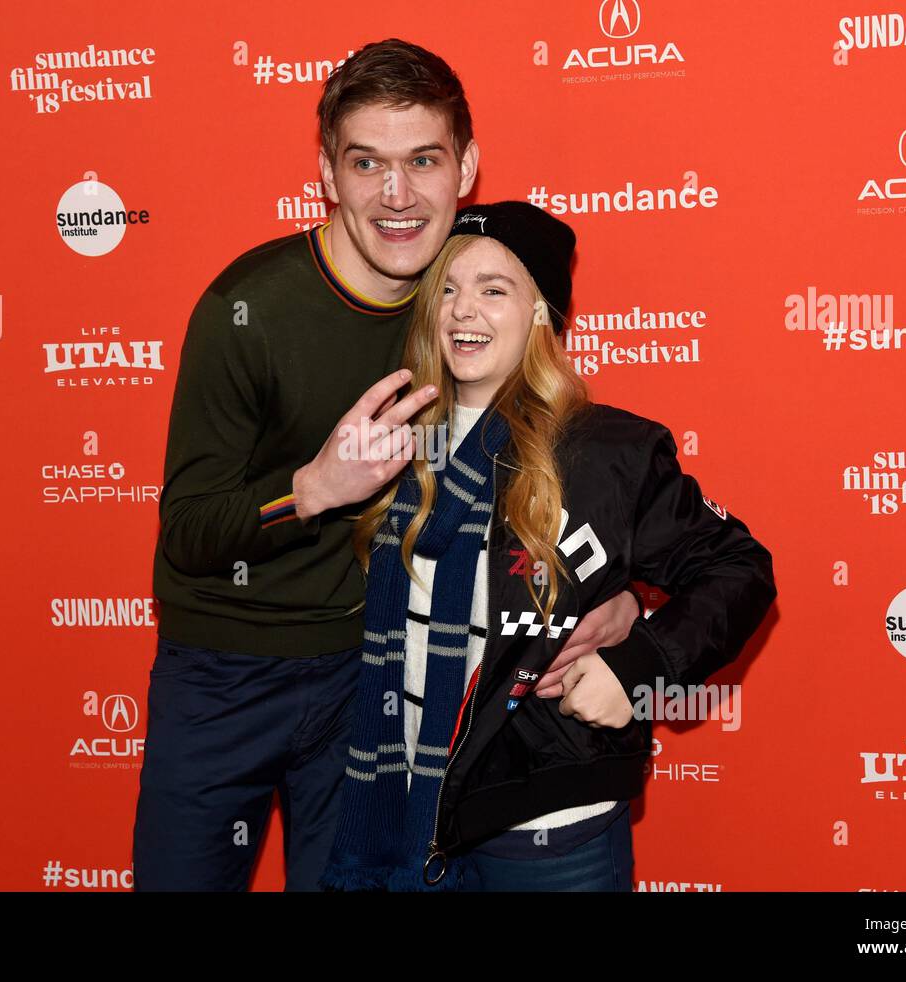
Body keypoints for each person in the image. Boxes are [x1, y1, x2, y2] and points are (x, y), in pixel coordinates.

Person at [132, 40, 640, 891]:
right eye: (366, 162)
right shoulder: (245, 311)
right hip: (226, 674)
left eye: (423, 161)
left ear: (466, 167)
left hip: (372, 682)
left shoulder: (472, 301)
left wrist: (619, 595)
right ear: (328, 173)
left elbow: (560, 475)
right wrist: (312, 490)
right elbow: (187, 532)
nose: (396, 196)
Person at [320, 201, 778, 891]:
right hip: (407, 817)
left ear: (541, 313)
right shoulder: (393, 439)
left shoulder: (606, 452)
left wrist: (638, 665)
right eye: (447, 286)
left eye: (494, 289)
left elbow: (741, 569)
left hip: (551, 838)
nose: (462, 309)